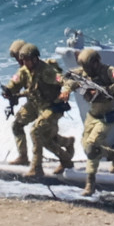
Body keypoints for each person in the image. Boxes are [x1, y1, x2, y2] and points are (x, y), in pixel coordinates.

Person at [71, 46, 114, 194]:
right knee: (85, 146)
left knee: (92, 145)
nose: (87, 70)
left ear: (96, 62)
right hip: (92, 116)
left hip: (107, 116)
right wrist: (70, 87)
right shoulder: (83, 72)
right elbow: (67, 77)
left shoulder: (109, 71)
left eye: (89, 66)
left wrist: (107, 90)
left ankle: (90, 183)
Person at [19, 48, 73, 179]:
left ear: (34, 59)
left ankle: (37, 168)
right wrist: (14, 94)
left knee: (35, 131)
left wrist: (66, 91)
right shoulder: (28, 72)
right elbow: (31, 90)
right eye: (23, 60)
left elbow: (66, 80)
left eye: (27, 60)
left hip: (54, 108)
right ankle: (66, 153)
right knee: (46, 139)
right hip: (42, 108)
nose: (24, 63)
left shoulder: (47, 71)